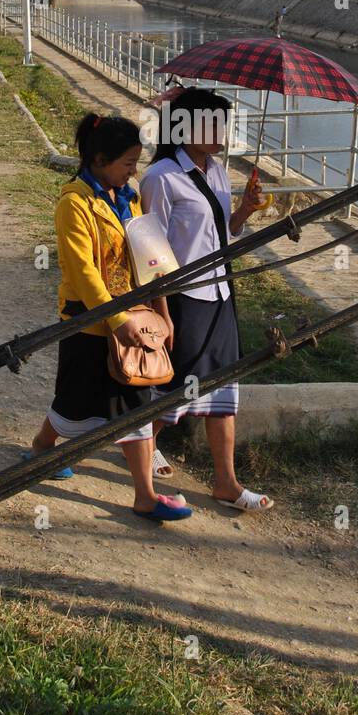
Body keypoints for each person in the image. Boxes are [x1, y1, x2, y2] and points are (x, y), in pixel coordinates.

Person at [28, 113, 192, 523]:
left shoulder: (130, 197)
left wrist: (161, 311)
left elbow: (151, 260)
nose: (134, 172)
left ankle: (142, 495)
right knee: (76, 396)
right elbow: (82, 273)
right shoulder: (74, 204)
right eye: (127, 163)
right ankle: (46, 448)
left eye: (136, 163)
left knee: (132, 399)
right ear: (100, 160)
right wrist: (120, 320)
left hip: (134, 316)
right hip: (90, 320)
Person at [140, 87, 274, 512]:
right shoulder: (160, 177)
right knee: (172, 388)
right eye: (213, 123)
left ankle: (226, 483)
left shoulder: (216, 171)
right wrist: (162, 315)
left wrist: (246, 211)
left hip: (220, 291)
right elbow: (149, 252)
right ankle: (142, 452)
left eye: (224, 124)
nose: (221, 132)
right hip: (183, 299)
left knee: (221, 388)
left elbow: (222, 233)